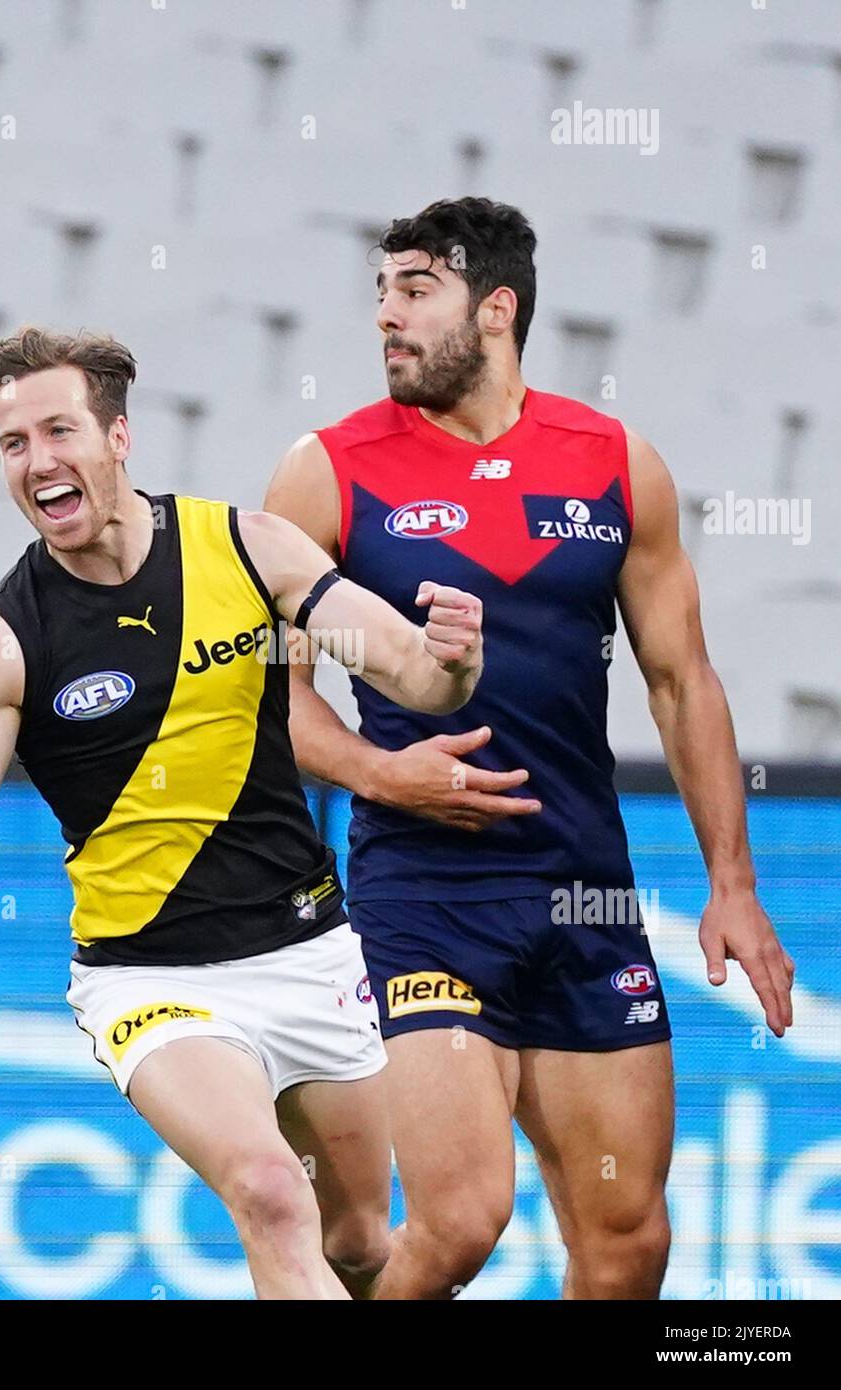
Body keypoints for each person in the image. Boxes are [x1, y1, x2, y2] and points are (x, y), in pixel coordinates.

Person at [0, 326, 484, 1301]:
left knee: (357, 1239)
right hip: (151, 978)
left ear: (118, 437)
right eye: (14, 444)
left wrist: (456, 654)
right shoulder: (4, 642)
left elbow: (419, 677)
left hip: (308, 950)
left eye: (59, 430)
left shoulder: (249, 549)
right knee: (269, 1193)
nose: (39, 461)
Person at [264, 197, 796, 1300]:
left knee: (628, 1242)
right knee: (460, 1221)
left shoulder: (614, 464)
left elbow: (680, 679)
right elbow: (272, 703)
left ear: (495, 306)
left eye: (415, 291)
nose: (386, 318)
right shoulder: (327, 471)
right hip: (424, 892)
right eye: (380, 293)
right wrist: (380, 771)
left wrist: (732, 886)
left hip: (586, 895)